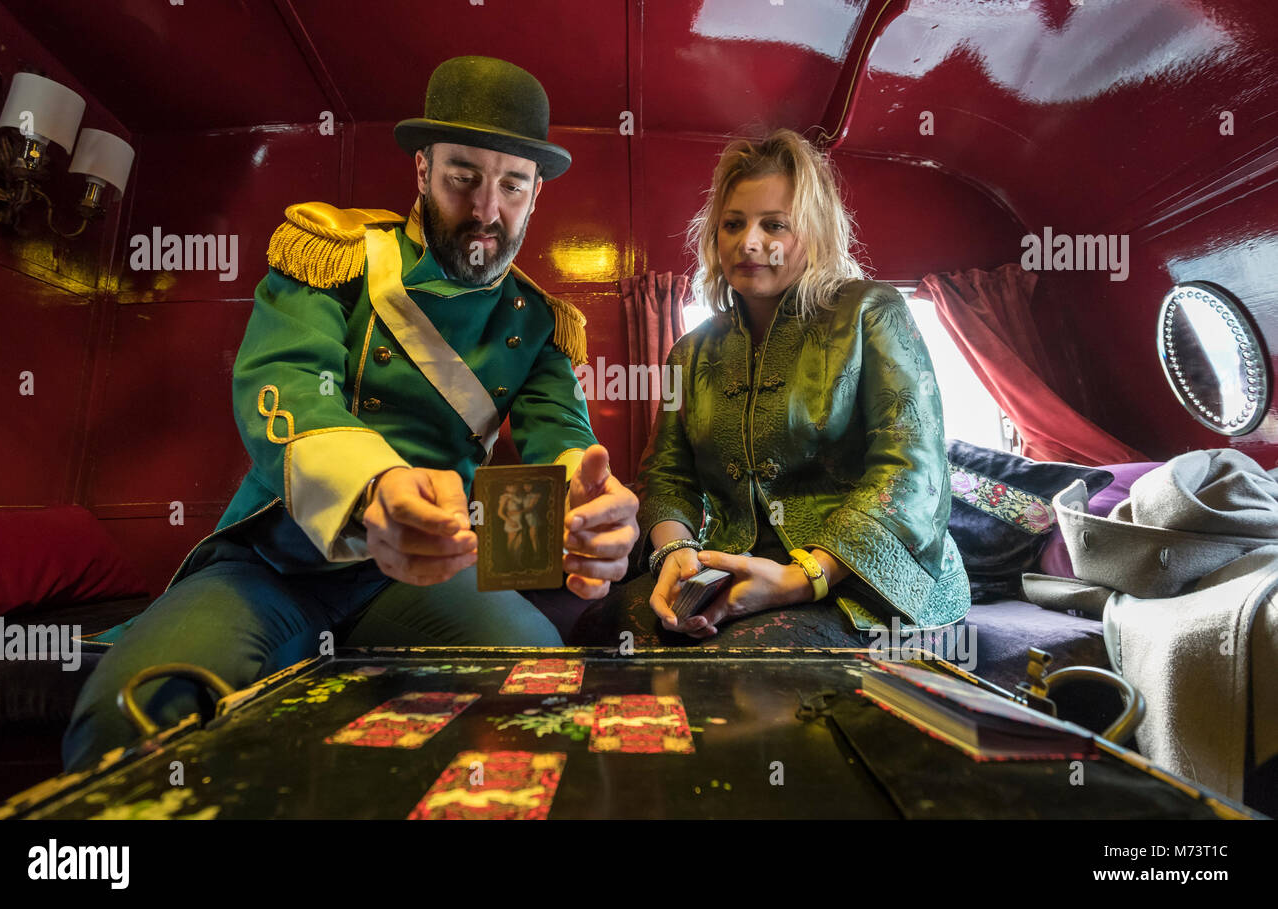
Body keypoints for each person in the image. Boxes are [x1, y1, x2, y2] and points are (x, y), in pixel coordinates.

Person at [62, 56, 639, 772]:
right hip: (274, 560)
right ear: (422, 170)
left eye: (512, 184)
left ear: (535, 195)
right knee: (134, 709)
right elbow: (289, 385)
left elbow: (565, 442)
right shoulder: (332, 255)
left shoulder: (543, 326)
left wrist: (593, 507)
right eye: (464, 175)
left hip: (424, 575)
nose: (488, 210)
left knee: (536, 686)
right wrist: (376, 490)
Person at [573, 129, 969, 646]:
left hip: (858, 579)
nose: (749, 241)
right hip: (733, 566)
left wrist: (799, 578)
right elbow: (666, 478)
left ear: (816, 233)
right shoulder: (690, 353)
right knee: (604, 629)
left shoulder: (872, 312)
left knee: (747, 661)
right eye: (733, 224)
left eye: (774, 225)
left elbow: (913, 471)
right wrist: (675, 557)